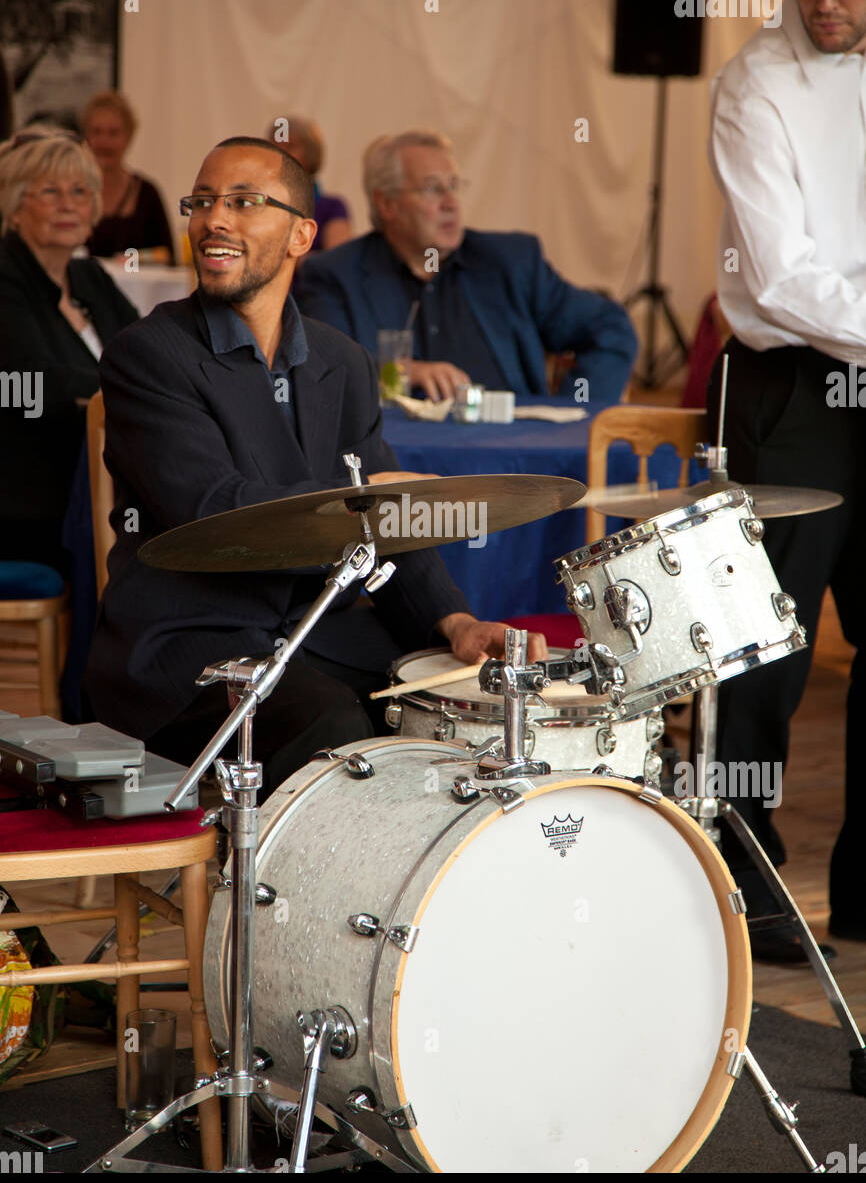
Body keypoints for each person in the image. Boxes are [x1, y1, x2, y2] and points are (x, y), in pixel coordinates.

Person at [84, 136, 545, 796]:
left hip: (320, 636)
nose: (214, 219)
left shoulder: (344, 362)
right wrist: (361, 501)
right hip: (194, 649)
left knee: (460, 710)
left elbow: (392, 530)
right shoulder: (148, 354)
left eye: (244, 202)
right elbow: (212, 514)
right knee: (335, 723)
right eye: (203, 201)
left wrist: (455, 622)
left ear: (301, 235)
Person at [706, 0, 866, 958]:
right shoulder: (752, 84)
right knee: (763, 649)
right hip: (791, 387)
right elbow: (780, 277)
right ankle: (741, 888)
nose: (825, 3)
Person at [293, 129, 637, 403]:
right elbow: (326, 366)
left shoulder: (512, 262)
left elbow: (610, 328)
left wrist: (573, 415)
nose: (451, 203)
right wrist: (404, 372)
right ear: (387, 204)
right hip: (395, 459)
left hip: (513, 455)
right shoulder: (335, 275)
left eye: (454, 187)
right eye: (433, 189)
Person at [0, 127, 138, 572]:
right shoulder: (6, 277)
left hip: (99, 482)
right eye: (50, 191)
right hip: (30, 499)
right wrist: (131, 390)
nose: (68, 204)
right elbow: (30, 385)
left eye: (79, 191)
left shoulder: (89, 277)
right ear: (14, 204)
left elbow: (148, 351)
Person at [80, 90, 176, 264]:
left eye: (113, 133)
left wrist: (132, 259)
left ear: (129, 137)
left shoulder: (147, 194)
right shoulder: (71, 191)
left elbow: (167, 255)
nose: (104, 141)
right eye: (96, 132)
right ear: (86, 136)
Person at [266, 116, 352, 251]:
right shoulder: (258, 200)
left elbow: (338, 260)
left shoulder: (332, 207)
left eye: (290, 146)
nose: (281, 153)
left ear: (310, 153)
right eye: (274, 147)